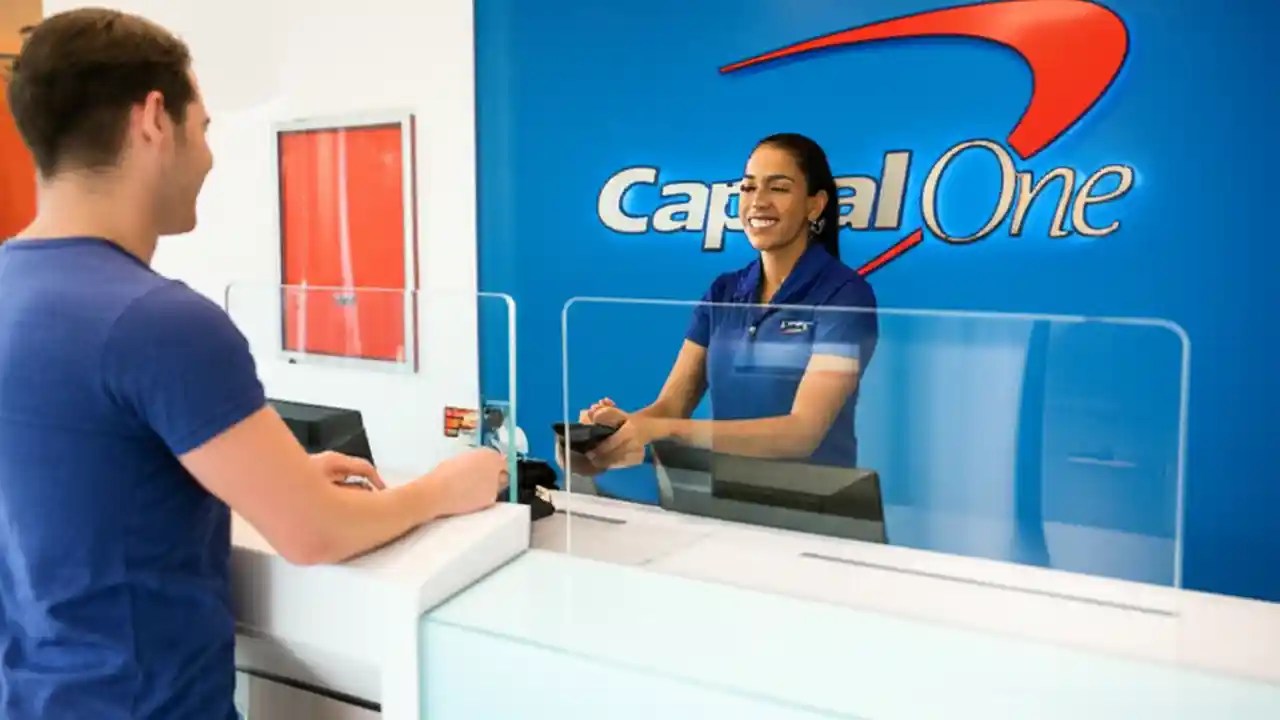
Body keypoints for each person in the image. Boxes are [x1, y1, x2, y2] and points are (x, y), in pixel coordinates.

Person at [0, 10, 507, 720]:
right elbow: (314, 534)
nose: (208, 156)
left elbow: (79, 481)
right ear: (153, 120)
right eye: (203, 128)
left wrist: (276, 476)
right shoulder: (160, 321)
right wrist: (442, 489)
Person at [566, 133, 878, 474]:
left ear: (814, 205)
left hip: (816, 512)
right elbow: (671, 406)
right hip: (728, 501)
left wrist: (663, 430)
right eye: (748, 187)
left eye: (779, 188)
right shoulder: (723, 291)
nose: (758, 201)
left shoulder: (846, 295)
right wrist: (610, 434)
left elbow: (801, 433)